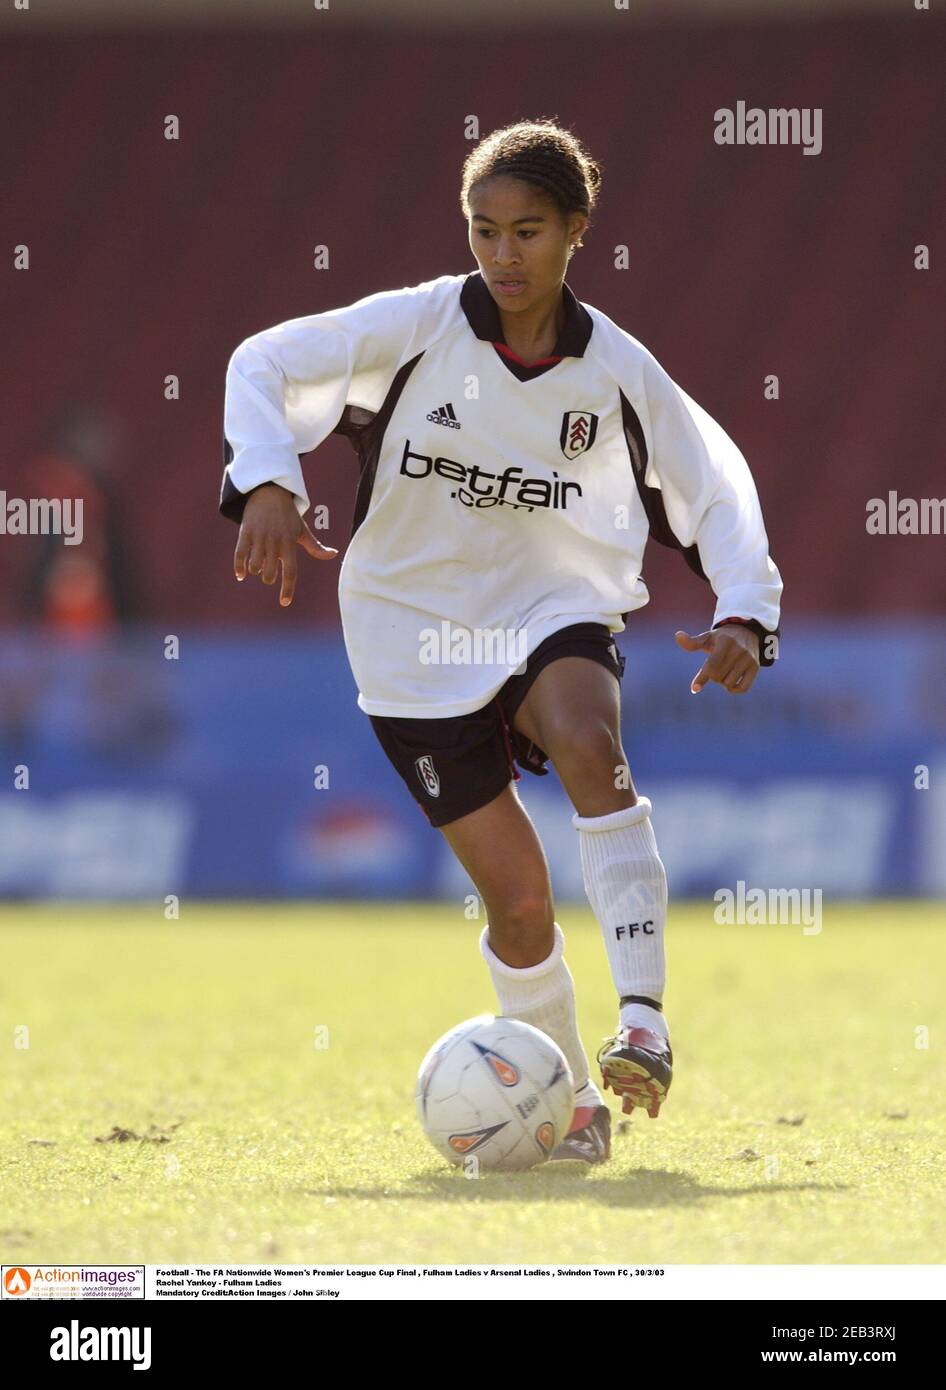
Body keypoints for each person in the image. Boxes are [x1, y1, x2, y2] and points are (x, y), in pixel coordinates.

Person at [220, 119, 782, 1165]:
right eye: (484, 230)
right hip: (408, 636)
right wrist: (265, 478)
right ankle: (575, 1110)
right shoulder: (416, 326)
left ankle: (644, 1021)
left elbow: (714, 477)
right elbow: (264, 362)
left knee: (588, 736)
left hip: (550, 606)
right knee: (519, 907)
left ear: (576, 232)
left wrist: (747, 608)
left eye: (528, 231)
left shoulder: (616, 370)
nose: (503, 254)